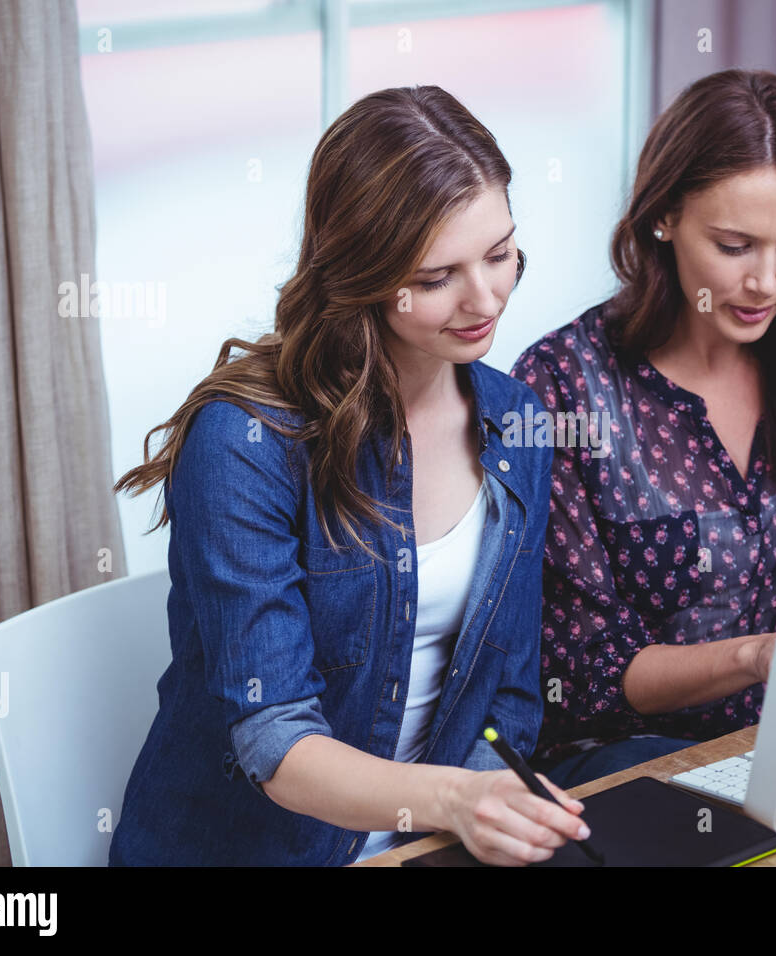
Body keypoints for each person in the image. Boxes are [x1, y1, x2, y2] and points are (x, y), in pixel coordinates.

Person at [108, 85, 587, 866]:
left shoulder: (517, 424)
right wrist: (459, 802)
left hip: (428, 845)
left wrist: (490, 812)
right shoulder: (245, 441)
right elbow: (273, 736)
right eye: (436, 277)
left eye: (500, 254)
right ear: (364, 272)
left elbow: (510, 698)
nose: (486, 297)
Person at [511, 69, 776, 787]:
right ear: (663, 217)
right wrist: (760, 656)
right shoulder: (562, 388)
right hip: (626, 765)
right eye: (735, 246)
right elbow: (578, 673)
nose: (766, 281)